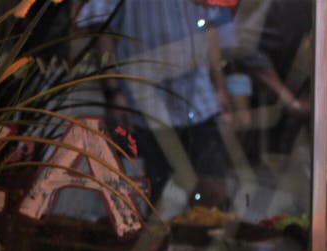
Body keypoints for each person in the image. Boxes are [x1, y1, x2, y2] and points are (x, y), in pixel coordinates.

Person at [76, 0, 233, 216]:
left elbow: (209, 26)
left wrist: (220, 86)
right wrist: (113, 93)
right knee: (158, 201)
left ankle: (203, 241)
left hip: (199, 99)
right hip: (146, 104)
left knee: (212, 194)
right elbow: (100, 27)